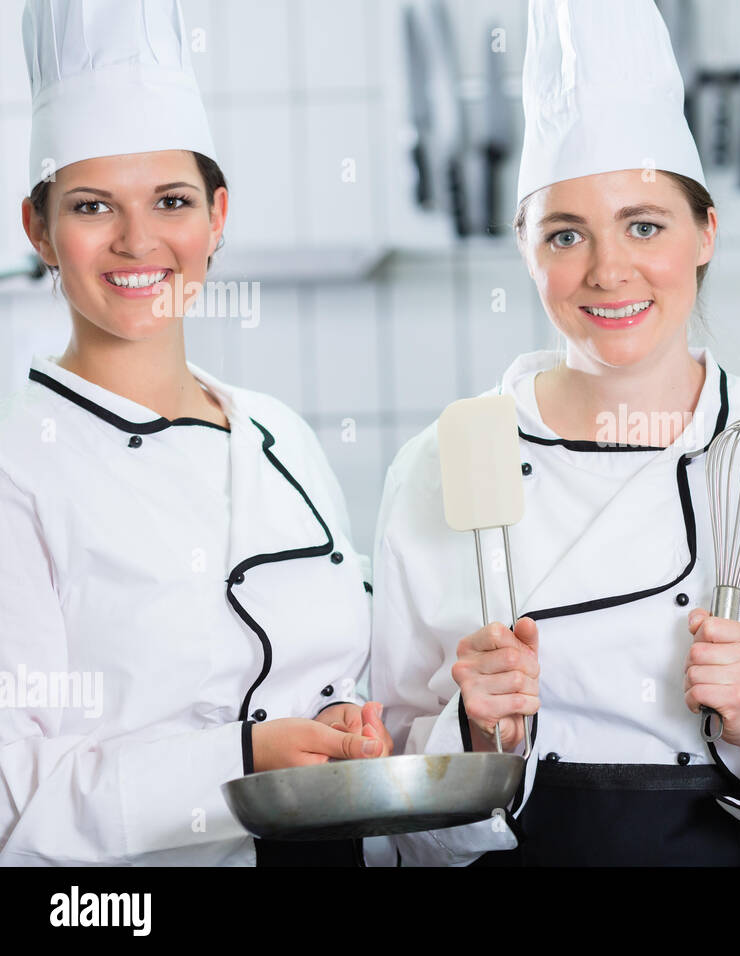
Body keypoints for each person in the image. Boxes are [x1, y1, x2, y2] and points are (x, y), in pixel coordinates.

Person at [369, 0, 740, 866]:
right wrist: (473, 733)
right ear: (523, 248)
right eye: (566, 234)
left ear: (705, 232)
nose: (609, 271)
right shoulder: (440, 466)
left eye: (645, 225)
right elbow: (393, 836)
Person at [0, 0, 389, 866]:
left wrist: (347, 729)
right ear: (40, 229)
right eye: (94, 206)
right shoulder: (19, 470)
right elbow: (11, 799)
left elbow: (325, 680)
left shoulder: (278, 434)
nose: (139, 241)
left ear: (216, 217)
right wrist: (242, 763)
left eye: (171, 201)